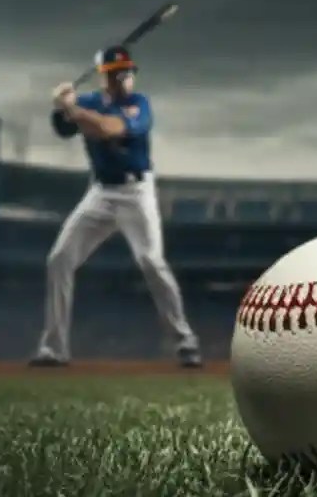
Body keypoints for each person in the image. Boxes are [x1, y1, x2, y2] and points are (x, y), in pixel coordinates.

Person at [30, 45, 202, 368]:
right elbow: (62, 128)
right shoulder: (90, 101)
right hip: (100, 192)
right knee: (59, 259)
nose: (125, 78)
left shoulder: (139, 105)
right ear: (103, 78)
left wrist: (72, 108)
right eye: (117, 73)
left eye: (128, 72)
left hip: (136, 192)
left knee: (151, 261)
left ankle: (185, 341)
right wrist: (60, 104)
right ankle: (54, 348)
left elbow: (109, 128)